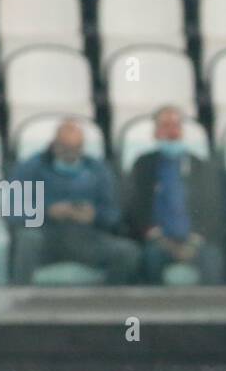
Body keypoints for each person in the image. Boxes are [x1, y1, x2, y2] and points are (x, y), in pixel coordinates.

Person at [8, 120, 141, 285]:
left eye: (76, 148)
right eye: (65, 148)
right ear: (54, 145)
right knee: (27, 240)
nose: (71, 153)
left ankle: (107, 302)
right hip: (45, 236)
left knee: (127, 252)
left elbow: (113, 214)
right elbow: (13, 212)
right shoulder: (29, 168)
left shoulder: (98, 170)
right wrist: (47, 212)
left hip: (86, 237)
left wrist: (94, 215)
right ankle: (21, 298)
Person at [124, 105, 225, 285]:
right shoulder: (143, 165)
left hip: (196, 241)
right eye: (165, 126)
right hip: (158, 241)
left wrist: (193, 243)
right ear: (155, 133)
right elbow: (136, 208)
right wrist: (161, 240)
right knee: (150, 259)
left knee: (213, 260)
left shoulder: (202, 167)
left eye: (176, 126)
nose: (172, 131)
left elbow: (213, 209)